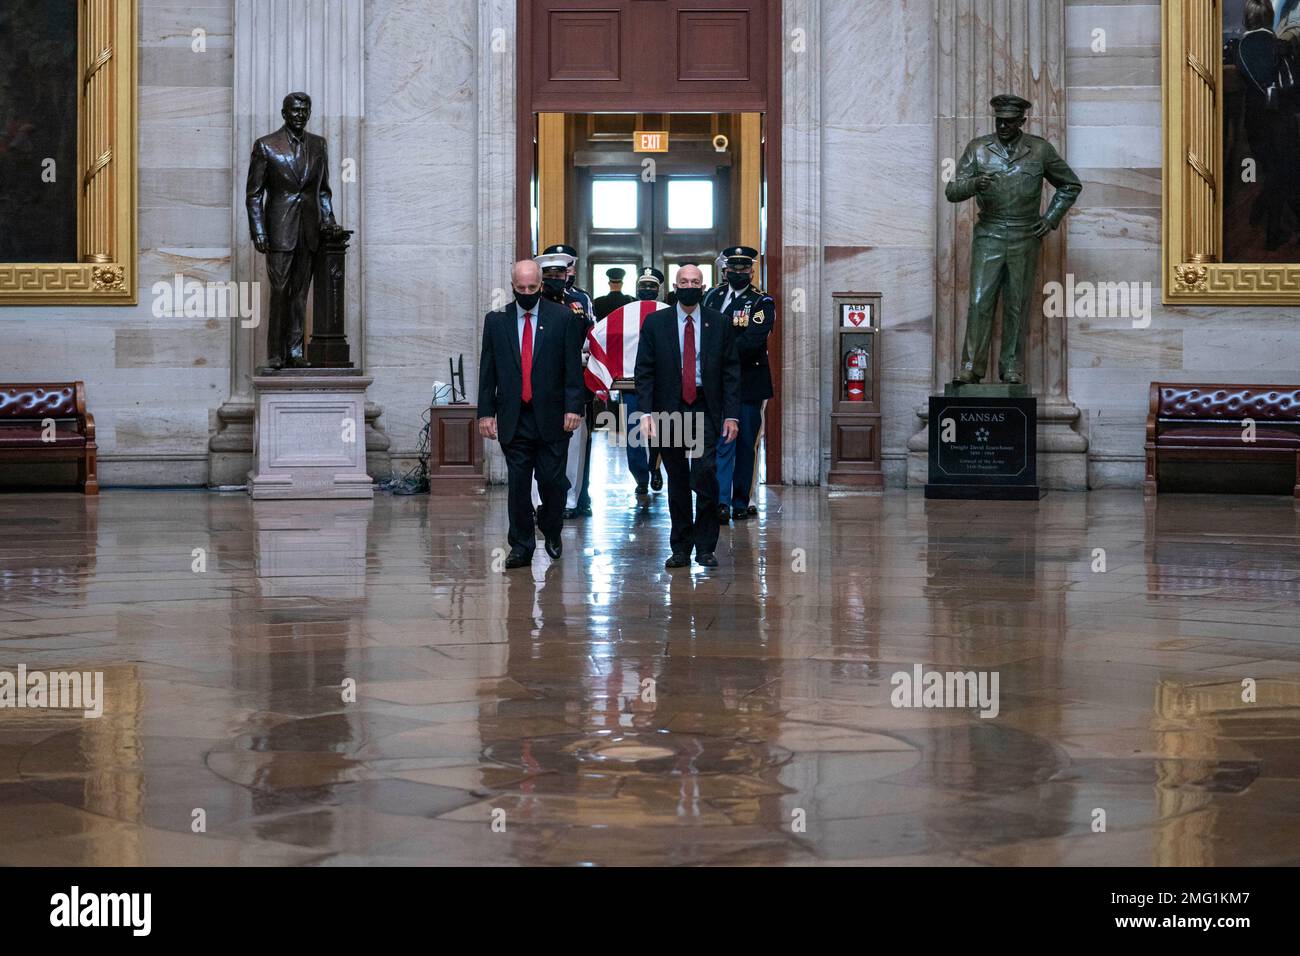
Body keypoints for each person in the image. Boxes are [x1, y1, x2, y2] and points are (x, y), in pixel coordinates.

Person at [945, 94, 1081, 384]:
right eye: (999, 121)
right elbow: (952, 191)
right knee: (980, 301)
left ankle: (1011, 367)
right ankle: (970, 366)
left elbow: (1070, 184)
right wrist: (973, 183)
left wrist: (1051, 218)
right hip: (989, 233)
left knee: (1017, 303)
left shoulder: (1039, 150)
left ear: (1022, 121)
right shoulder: (979, 149)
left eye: (1009, 121)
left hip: (1024, 235)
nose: (1003, 126)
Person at [477, 261, 583, 569]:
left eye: (532, 289)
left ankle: (551, 527)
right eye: (520, 289)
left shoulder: (562, 318)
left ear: (541, 286)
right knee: (519, 486)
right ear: (512, 287)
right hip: (514, 417)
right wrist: (486, 413)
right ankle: (521, 545)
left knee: (553, 481)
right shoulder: (496, 322)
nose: (526, 293)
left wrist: (574, 407)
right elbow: (488, 371)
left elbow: (572, 369)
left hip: (552, 417)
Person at [633, 265, 740, 569]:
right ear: (676, 287)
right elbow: (645, 372)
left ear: (703, 286)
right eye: (684, 282)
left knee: (705, 474)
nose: (689, 286)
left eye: (695, 282)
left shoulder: (719, 323)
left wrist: (732, 416)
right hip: (670, 407)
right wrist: (644, 413)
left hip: (705, 407)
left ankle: (706, 547)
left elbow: (732, 372)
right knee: (677, 479)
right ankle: (680, 547)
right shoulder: (656, 323)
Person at [246, 92, 341, 369]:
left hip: (309, 230)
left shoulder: (319, 145)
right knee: (279, 291)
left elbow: (323, 191)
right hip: (279, 230)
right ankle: (276, 354)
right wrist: (259, 231)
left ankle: (296, 351)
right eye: (295, 110)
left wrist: (329, 220)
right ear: (284, 112)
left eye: (304, 110)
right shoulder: (266, 146)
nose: (300, 115)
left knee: (300, 294)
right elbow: (254, 194)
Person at [705, 245, 775, 523]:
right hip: (715, 383)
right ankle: (720, 500)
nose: (738, 272)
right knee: (722, 441)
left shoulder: (762, 301)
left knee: (746, 444)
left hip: (749, 382)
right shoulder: (712, 296)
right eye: (733, 268)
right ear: (725, 270)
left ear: (752, 271)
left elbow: (753, 340)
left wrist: (718, 356)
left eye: (744, 268)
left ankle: (740, 501)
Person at [585, 267, 666, 495]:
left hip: (660, 384)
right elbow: (599, 334)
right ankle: (641, 476)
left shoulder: (669, 312)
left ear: (658, 289)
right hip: (631, 383)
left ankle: (655, 467)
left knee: (660, 431)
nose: (647, 289)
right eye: (643, 285)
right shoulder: (623, 312)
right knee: (634, 433)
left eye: (651, 286)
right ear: (636, 288)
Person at [533, 251, 596, 518]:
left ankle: (570, 501)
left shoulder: (578, 302)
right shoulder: (531, 304)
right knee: (536, 447)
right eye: (550, 276)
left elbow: (591, 335)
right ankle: (538, 502)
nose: (556, 279)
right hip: (539, 385)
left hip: (573, 384)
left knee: (573, 447)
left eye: (560, 274)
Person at [1238, 0, 1300, 251]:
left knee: (1273, 171)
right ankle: (1273, 232)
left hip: (1254, 119)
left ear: (1247, 18)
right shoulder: (1278, 44)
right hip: (1280, 119)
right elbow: (1293, 84)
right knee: (1283, 172)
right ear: (1268, 17)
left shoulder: (1240, 46)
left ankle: (1262, 215)